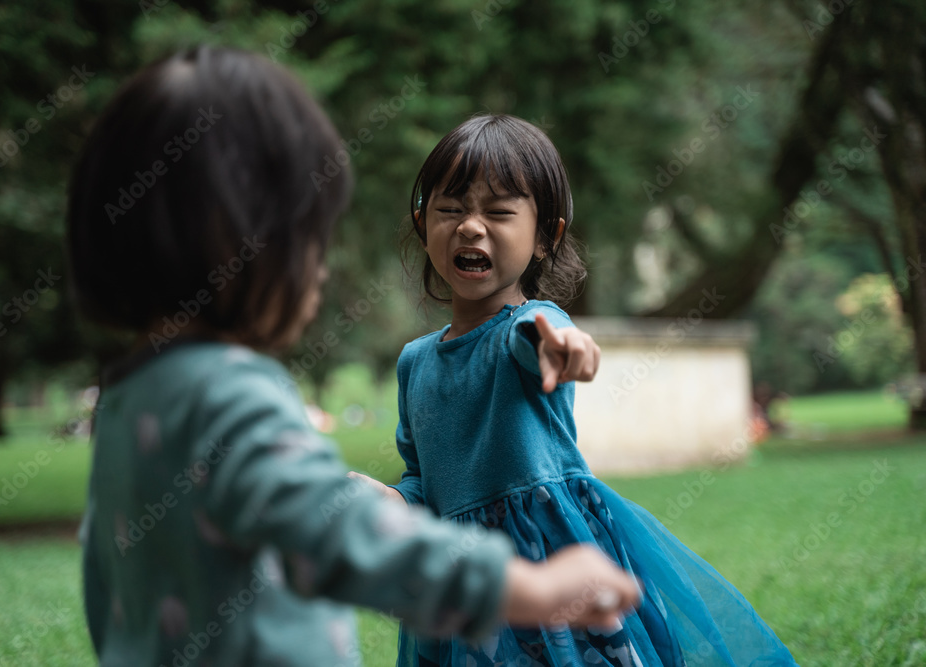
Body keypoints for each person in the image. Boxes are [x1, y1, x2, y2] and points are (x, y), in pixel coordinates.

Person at [66, 48, 642, 667]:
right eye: (310, 236)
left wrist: (549, 339)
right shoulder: (235, 396)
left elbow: (106, 579)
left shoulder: (126, 400)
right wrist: (529, 588)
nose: (320, 267)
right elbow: (345, 537)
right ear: (242, 246)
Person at [350, 115, 799, 666]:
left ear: (545, 238)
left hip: (553, 563)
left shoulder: (533, 324)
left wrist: (560, 346)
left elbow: (537, 335)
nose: (470, 226)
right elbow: (424, 483)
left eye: (498, 211)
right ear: (424, 225)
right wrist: (390, 498)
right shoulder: (415, 362)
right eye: (450, 209)